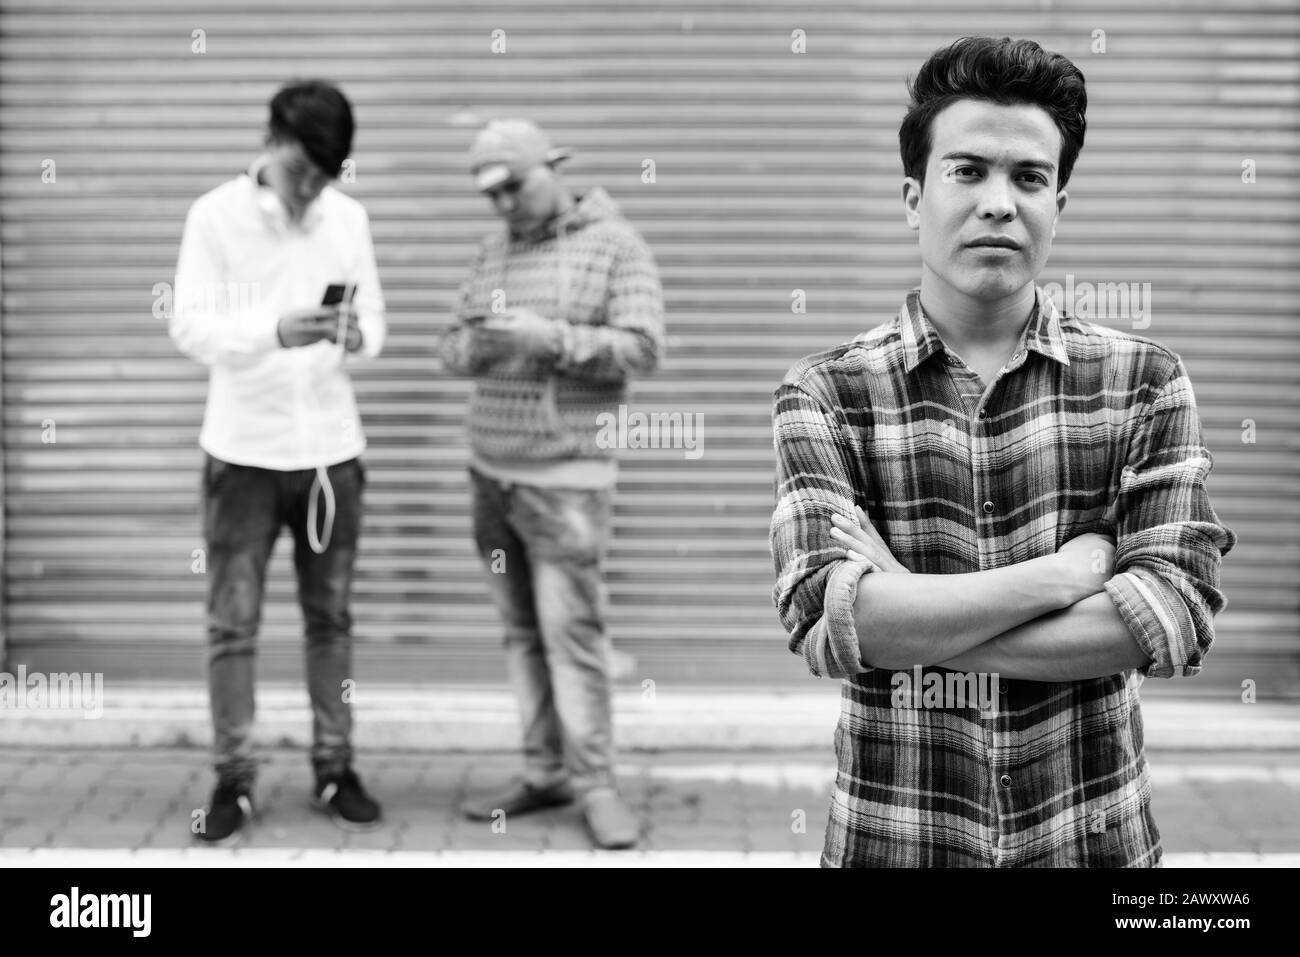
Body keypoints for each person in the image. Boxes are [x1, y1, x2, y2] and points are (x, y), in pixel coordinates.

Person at [769, 36, 1237, 867]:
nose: (999, 202)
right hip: (899, 839)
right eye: (967, 171)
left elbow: (1170, 617)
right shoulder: (827, 393)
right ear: (914, 198)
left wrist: (910, 607)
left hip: (1091, 842)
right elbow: (830, 621)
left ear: (1059, 202)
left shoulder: (1143, 382)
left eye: (1028, 178)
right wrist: (1065, 578)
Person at [171, 79, 386, 844]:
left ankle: (335, 766)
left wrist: (356, 335)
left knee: (331, 619)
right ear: (270, 140)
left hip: (332, 451)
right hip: (243, 453)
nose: (311, 189)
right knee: (232, 622)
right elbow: (189, 325)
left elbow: (376, 320)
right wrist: (274, 331)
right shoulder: (214, 215)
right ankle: (234, 777)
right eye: (302, 171)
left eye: (325, 176)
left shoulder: (348, 218)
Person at [438, 119, 664, 850]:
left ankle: (595, 782)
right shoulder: (492, 248)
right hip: (491, 474)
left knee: (574, 637)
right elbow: (450, 348)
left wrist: (550, 339)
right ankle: (543, 772)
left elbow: (642, 348)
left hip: (566, 481)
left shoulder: (614, 244)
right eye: (488, 193)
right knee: (520, 633)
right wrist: (482, 340)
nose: (501, 204)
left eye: (513, 186)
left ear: (553, 166)